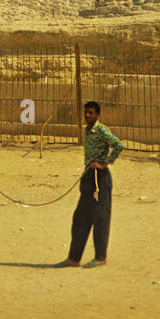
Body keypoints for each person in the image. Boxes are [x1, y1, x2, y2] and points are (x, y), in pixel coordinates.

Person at [58, 101, 123, 268]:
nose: (87, 116)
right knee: (81, 217)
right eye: (86, 112)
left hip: (100, 177)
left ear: (97, 115)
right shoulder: (87, 131)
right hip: (88, 176)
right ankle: (73, 258)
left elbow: (118, 145)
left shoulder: (102, 130)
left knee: (100, 217)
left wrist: (104, 163)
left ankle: (100, 257)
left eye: (91, 113)